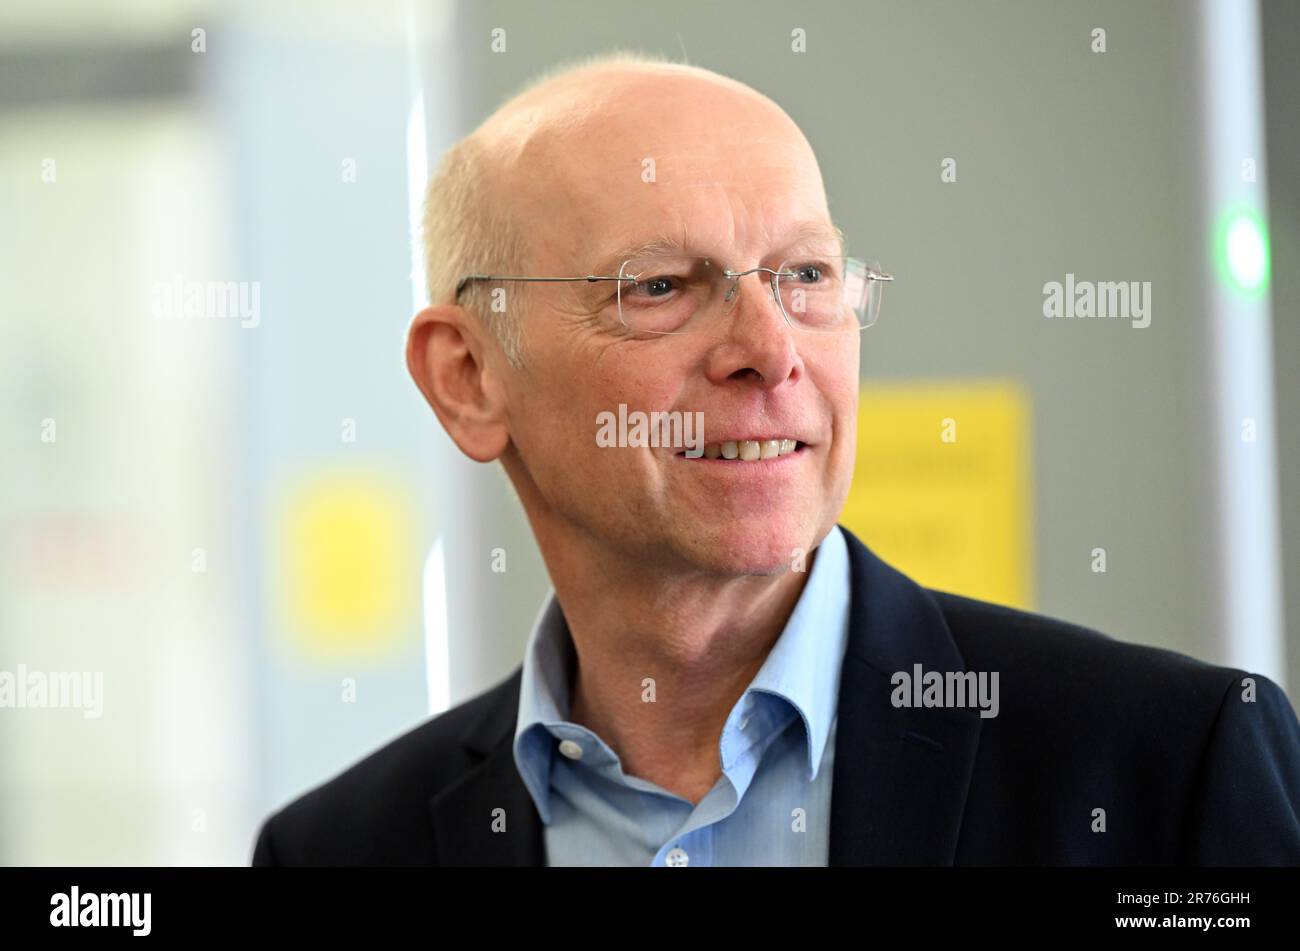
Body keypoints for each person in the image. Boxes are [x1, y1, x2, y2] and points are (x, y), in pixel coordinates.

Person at [251, 51, 1300, 866]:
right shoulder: (339, 850)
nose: (770, 350)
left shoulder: (1164, 768)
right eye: (659, 285)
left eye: (805, 273)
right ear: (469, 378)